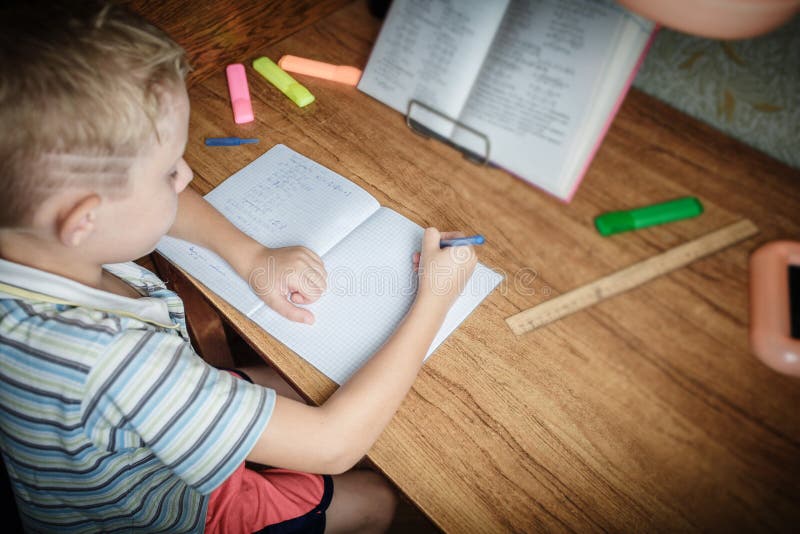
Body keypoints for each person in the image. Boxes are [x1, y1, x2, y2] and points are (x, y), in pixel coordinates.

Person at [0, 1, 478, 533]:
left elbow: (143, 212)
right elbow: (334, 444)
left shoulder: (27, 238)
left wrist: (250, 256)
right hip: (169, 515)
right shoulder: (115, 363)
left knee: (302, 380)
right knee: (375, 499)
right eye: (167, 172)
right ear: (82, 220)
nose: (185, 177)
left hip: (115, 456)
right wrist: (435, 298)